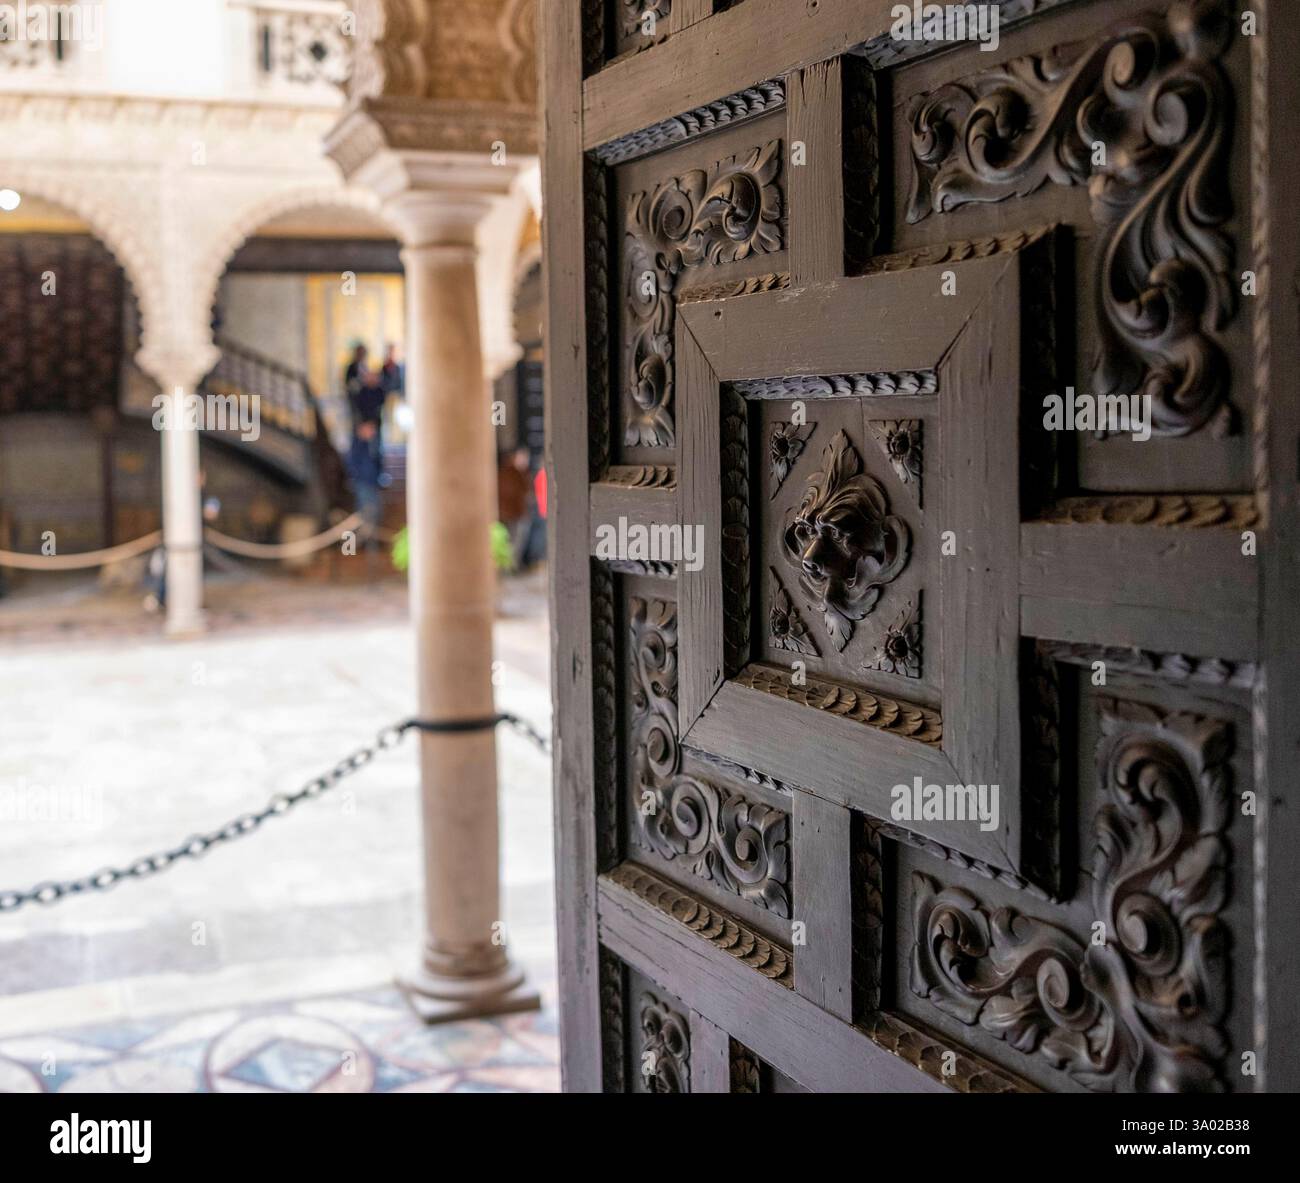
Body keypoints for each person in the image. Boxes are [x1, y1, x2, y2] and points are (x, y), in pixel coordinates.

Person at [347, 421, 383, 550]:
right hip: (362, 483)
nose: (373, 432)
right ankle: (354, 546)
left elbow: (378, 462)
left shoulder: (373, 445)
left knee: (374, 512)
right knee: (365, 512)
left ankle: (369, 544)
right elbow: (352, 463)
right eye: (370, 429)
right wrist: (357, 477)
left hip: (372, 483)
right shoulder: (358, 445)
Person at [497, 447, 530, 571]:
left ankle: (506, 565)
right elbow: (526, 490)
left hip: (504, 513)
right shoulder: (516, 473)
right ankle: (511, 565)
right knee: (515, 540)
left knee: (506, 540)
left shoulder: (500, 474)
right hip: (516, 512)